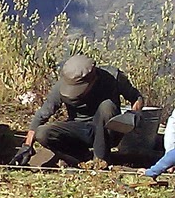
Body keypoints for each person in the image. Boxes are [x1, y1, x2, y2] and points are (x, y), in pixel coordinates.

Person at [15, 54, 144, 170]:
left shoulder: (113, 77)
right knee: (42, 133)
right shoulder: (62, 86)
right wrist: (27, 146)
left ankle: (101, 160)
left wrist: (134, 114)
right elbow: (42, 115)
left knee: (107, 106)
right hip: (79, 131)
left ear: (92, 79)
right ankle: (82, 158)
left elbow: (136, 98)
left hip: (108, 129)